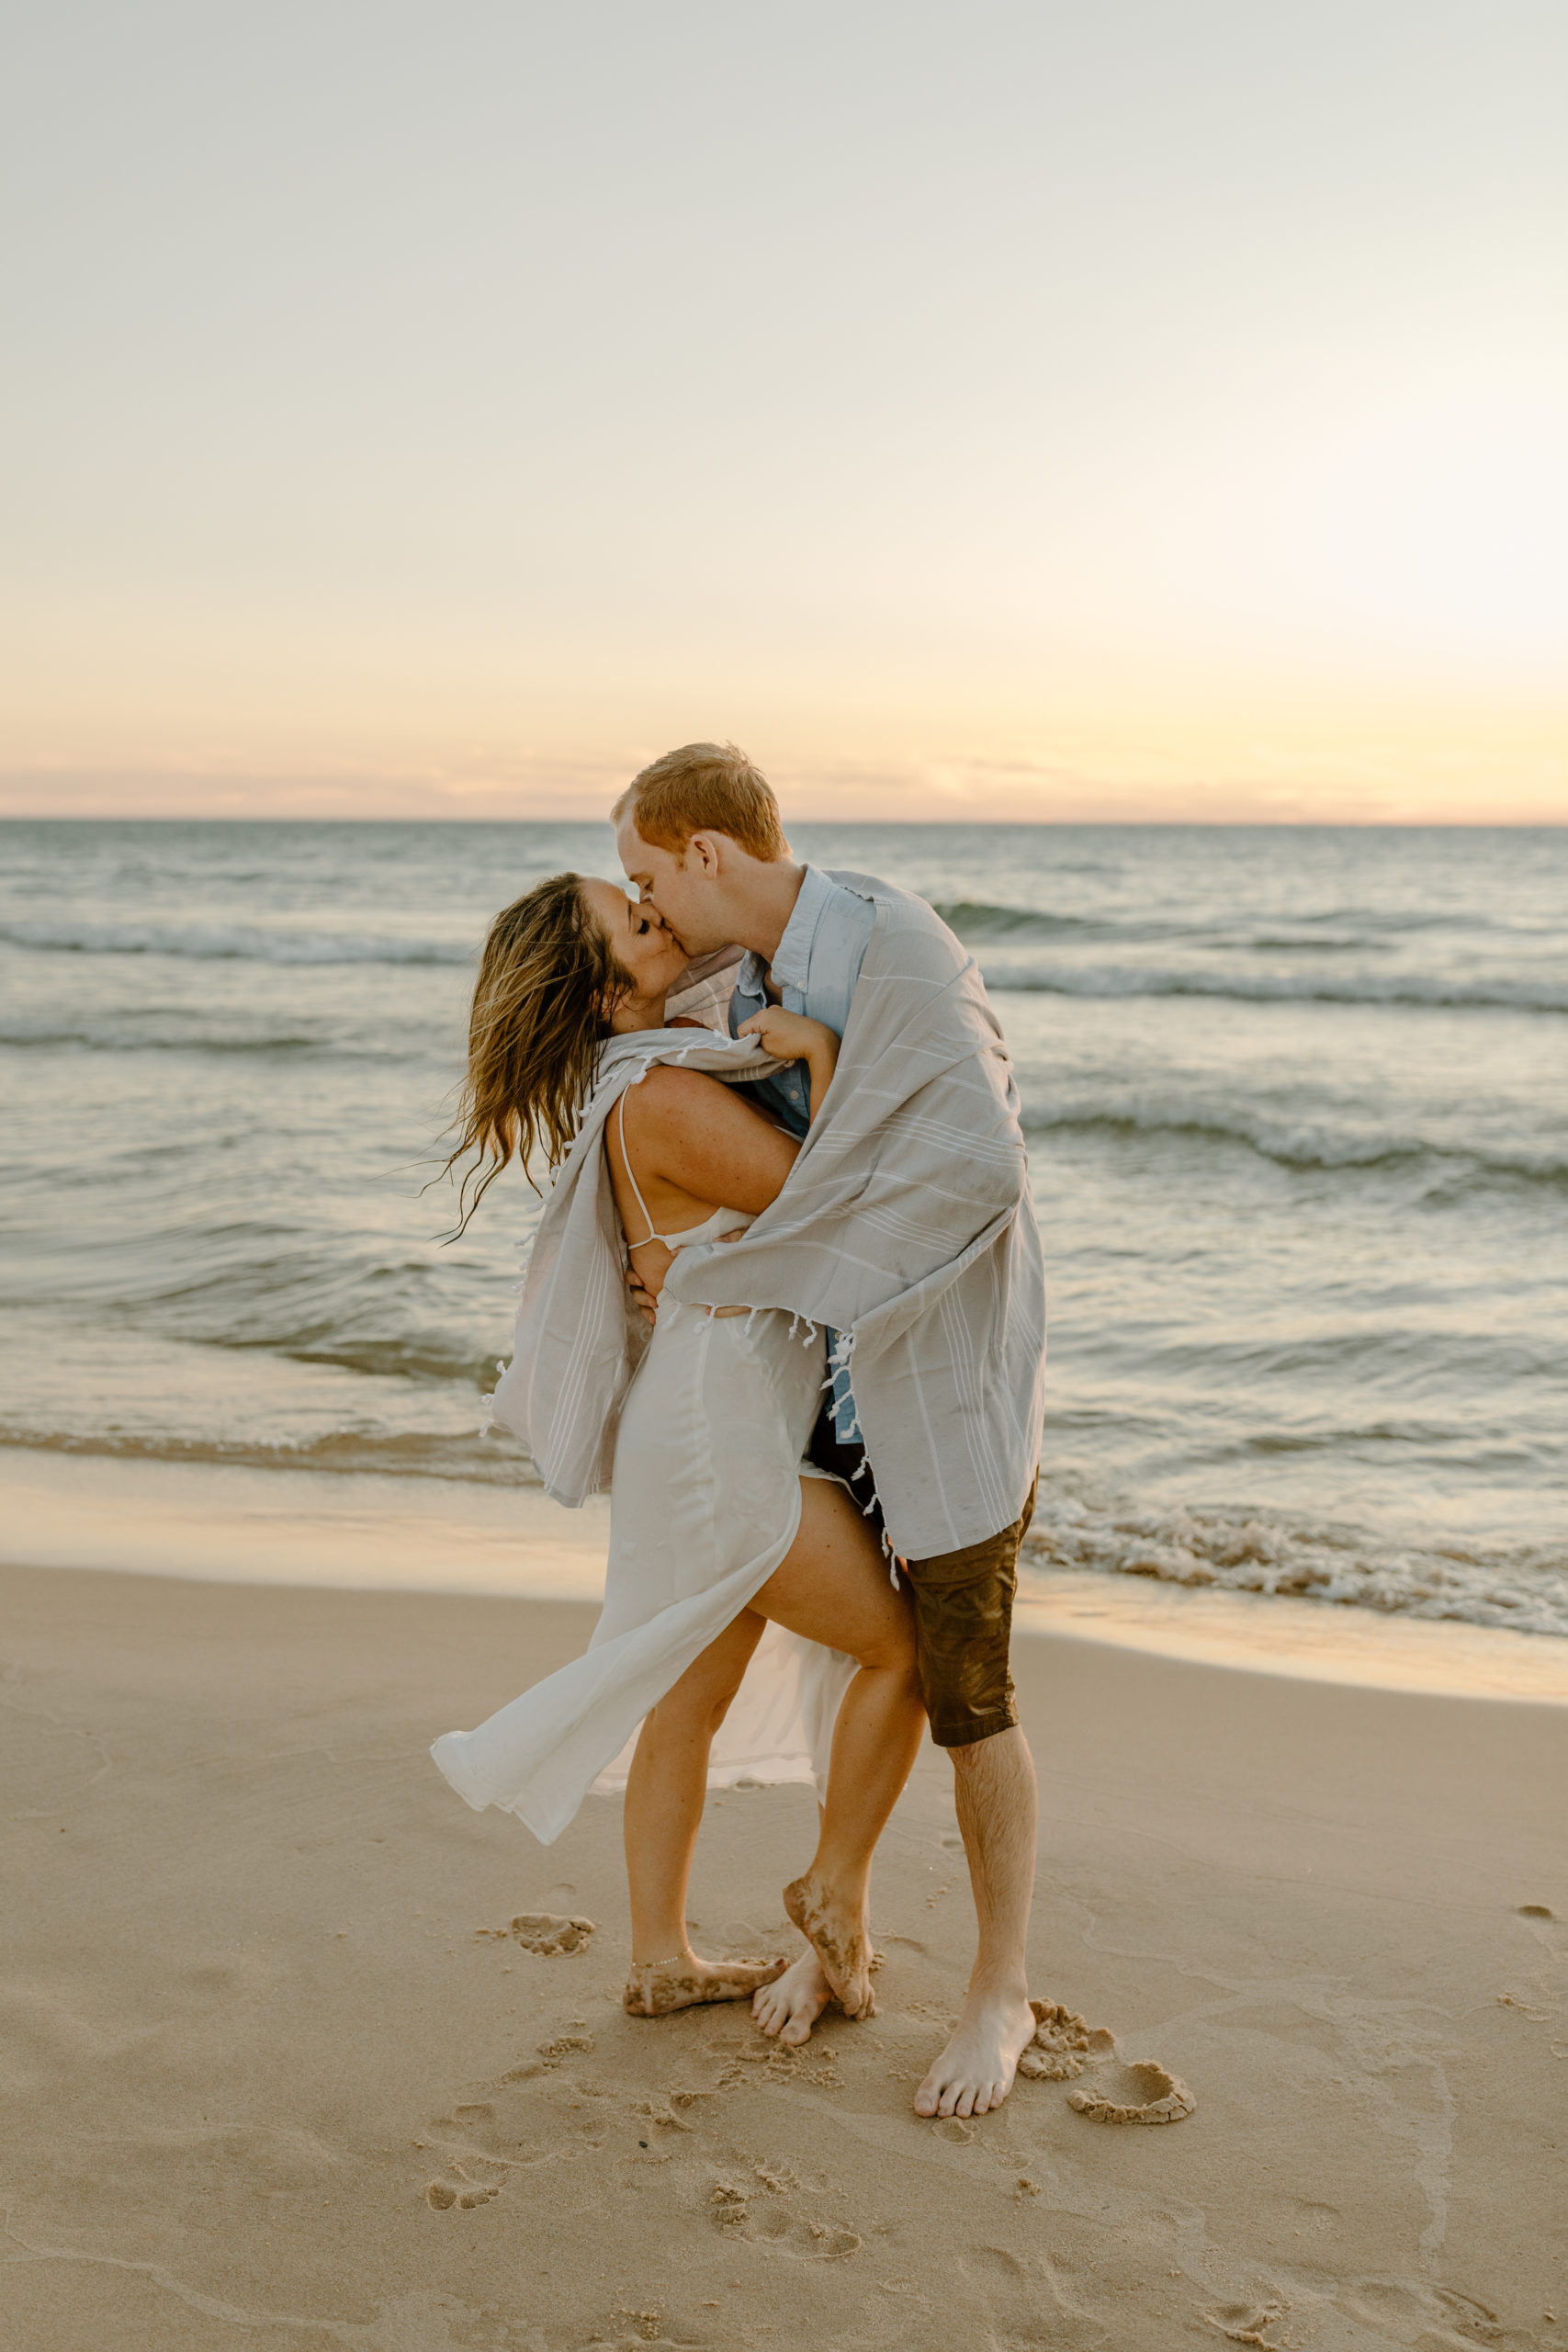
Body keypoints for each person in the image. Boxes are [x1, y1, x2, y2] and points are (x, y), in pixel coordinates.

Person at [614, 742, 1048, 2121]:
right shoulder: (752, 976)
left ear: (703, 852)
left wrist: (733, 1267)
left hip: (949, 1380)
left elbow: (971, 1163)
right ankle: (829, 1931)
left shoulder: (892, 945)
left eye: (645, 876)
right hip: (835, 1386)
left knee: (966, 1697)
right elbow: (632, 1044)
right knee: (855, 1656)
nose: (647, 906)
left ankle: (1000, 1998)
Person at [430, 873, 927, 2034]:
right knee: (903, 1649)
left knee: (687, 1699)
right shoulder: (657, 1097)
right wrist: (818, 1055)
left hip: (711, 1418)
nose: (661, 924)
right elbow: (834, 1204)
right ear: (608, 995)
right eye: (637, 925)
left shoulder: (653, 1081)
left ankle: (661, 1955)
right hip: (719, 1436)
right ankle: (830, 1886)